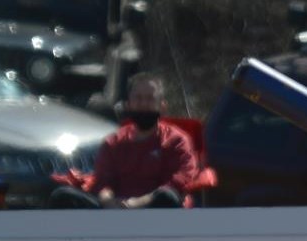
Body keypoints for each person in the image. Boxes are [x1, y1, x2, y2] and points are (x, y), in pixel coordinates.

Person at [49, 74, 202, 209]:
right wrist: (109, 201)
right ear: (128, 104)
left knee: (168, 197)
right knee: (62, 196)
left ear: (162, 106)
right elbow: (102, 182)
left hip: (156, 210)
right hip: (115, 210)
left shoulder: (177, 140)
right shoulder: (113, 142)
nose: (144, 104)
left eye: (150, 99)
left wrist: (139, 202)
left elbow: (182, 179)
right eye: (138, 99)